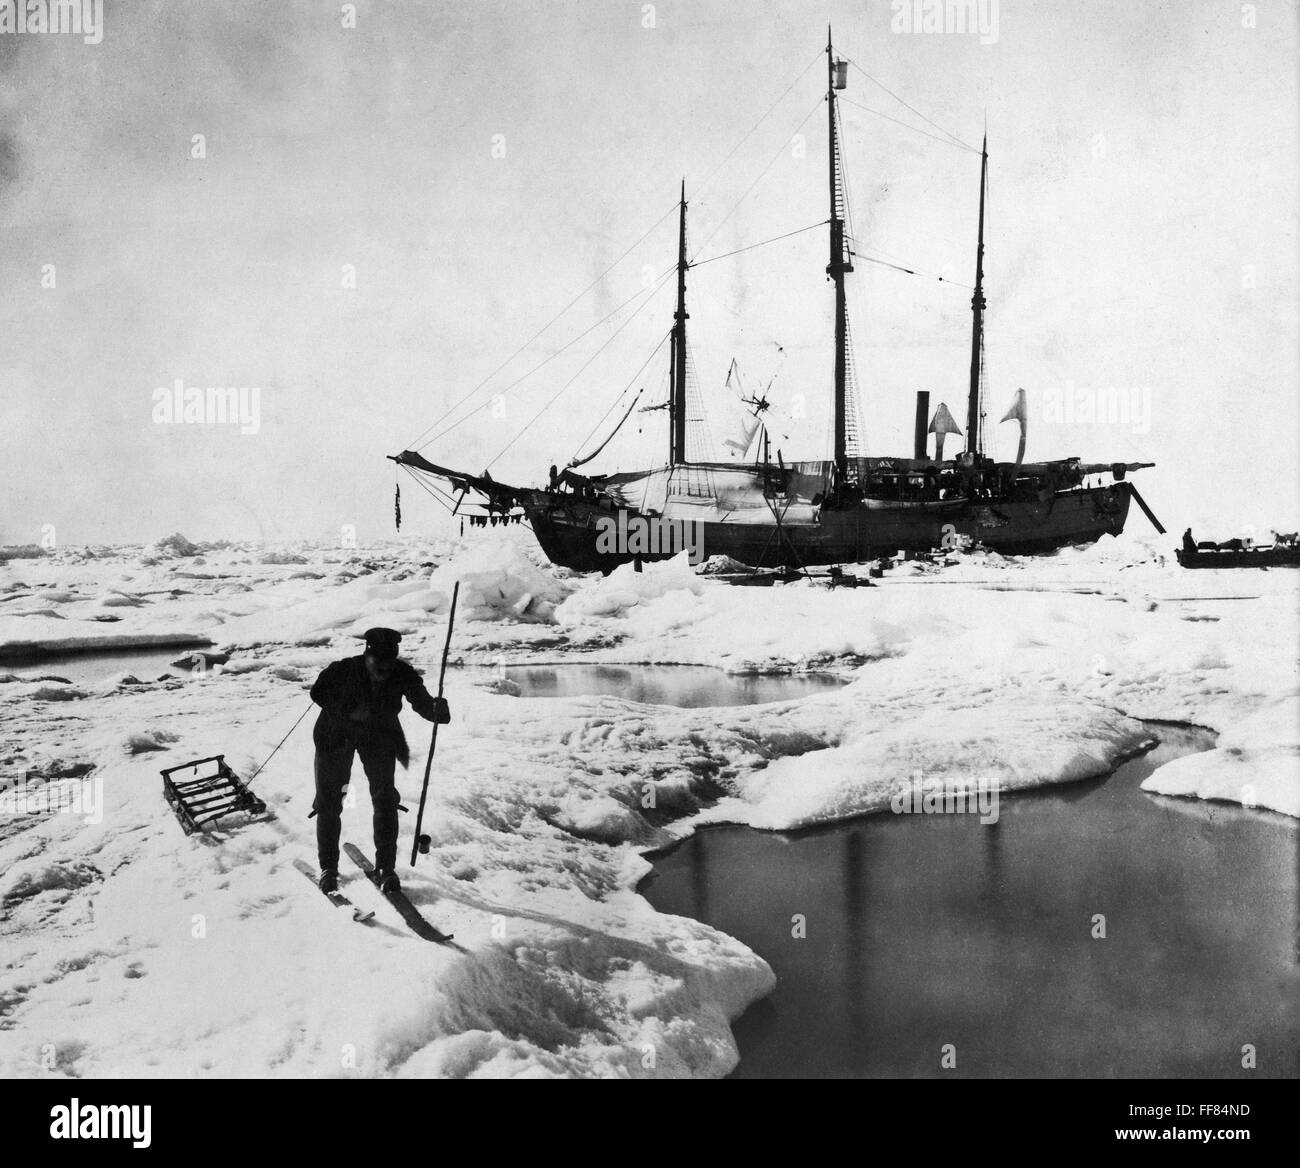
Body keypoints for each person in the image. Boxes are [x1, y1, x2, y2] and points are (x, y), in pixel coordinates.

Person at [309, 627, 449, 894]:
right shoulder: (342, 670)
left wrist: (436, 710)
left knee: (385, 798)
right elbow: (318, 693)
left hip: (378, 735)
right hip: (334, 735)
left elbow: (421, 701)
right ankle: (328, 867)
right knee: (329, 800)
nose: (383, 671)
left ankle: (386, 868)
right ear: (367, 655)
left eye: (389, 665)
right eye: (378, 665)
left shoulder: (401, 672)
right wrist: (347, 710)